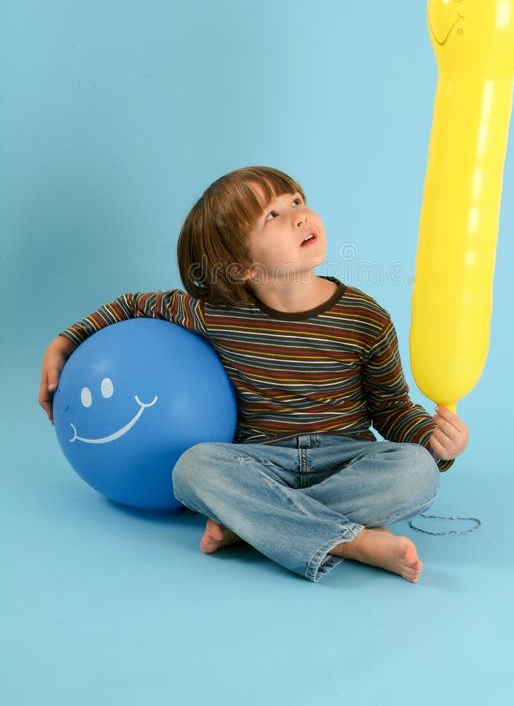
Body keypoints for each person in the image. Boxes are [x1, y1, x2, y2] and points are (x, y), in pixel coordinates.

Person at [39, 165, 469, 583]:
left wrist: (433, 440)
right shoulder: (215, 315)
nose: (299, 215)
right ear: (241, 267)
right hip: (262, 463)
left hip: (347, 459)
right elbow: (132, 305)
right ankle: (352, 541)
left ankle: (252, 524)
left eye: (296, 200)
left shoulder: (365, 318)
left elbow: (390, 408)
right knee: (192, 468)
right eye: (272, 216)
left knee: (418, 471)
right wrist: (64, 343)